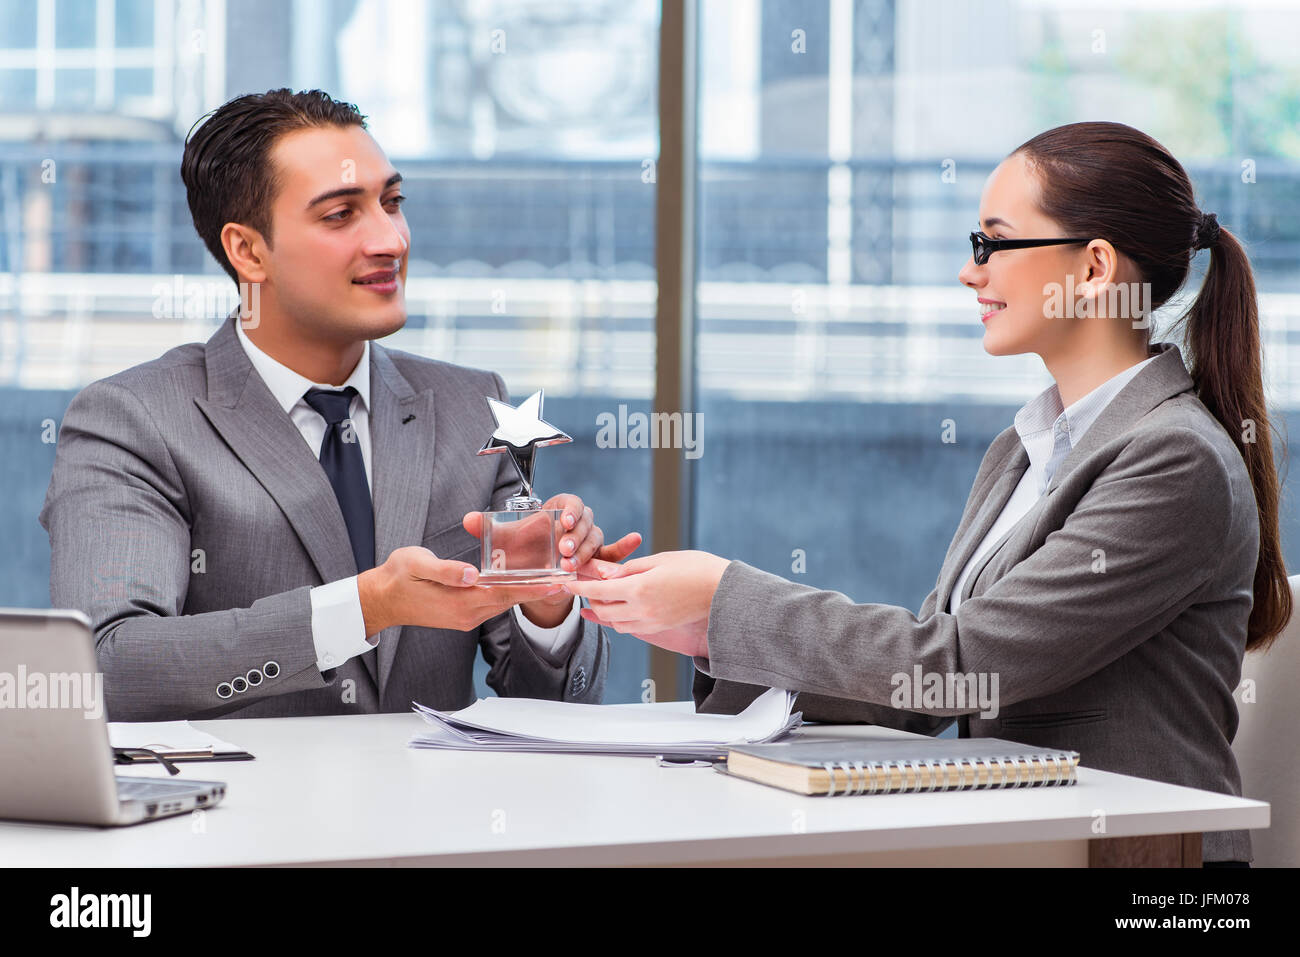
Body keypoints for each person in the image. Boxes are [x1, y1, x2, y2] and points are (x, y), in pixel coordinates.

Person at [565, 121, 1290, 866]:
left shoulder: (1175, 459)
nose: (970, 272)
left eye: (992, 243)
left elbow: (960, 663)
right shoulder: (1022, 449)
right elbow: (921, 691)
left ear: (1095, 266)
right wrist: (712, 633)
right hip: (1032, 845)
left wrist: (727, 598)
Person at [39, 88, 638, 722]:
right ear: (248, 251)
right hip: (242, 816)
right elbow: (110, 668)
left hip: (436, 815)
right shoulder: (134, 420)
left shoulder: (473, 406)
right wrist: (366, 606)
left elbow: (553, 705)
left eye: (392, 203)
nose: (390, 240)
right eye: (340, 215)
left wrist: (544, 603)